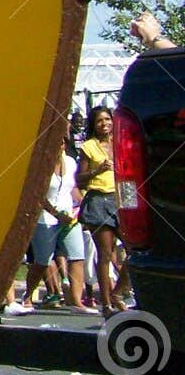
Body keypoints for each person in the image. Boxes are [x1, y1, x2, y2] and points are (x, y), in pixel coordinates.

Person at [29, 132, 92, 313]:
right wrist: (56, 214)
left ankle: (76, 301)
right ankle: (27, 296)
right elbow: (38, 195)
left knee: (77, 256)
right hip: (46, 218)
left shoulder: (71, 162)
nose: (60, 146)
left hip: (69, 217)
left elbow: (72, 188)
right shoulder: (41, 165)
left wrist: (81, 205)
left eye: (62, 143)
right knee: (42, 260)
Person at [78, 105, 122, 316]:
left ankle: (118, 292)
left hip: (122, 197)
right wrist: (98, 170)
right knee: (105, 253)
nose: (105, 124)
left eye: (107, 119)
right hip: (98, 199)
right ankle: (106, 302)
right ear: (94, 125)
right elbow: (80, 179)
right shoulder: (88, 146)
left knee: (135, 249)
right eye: (99, 121)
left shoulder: (121, 142)